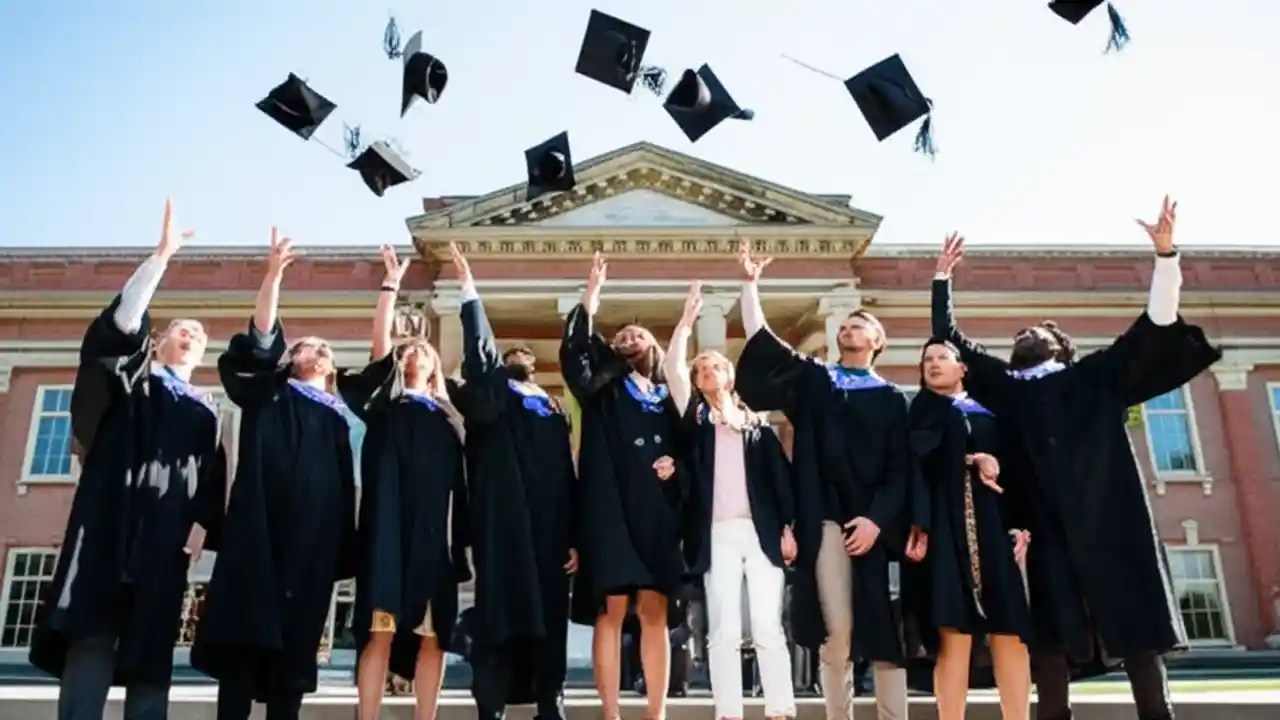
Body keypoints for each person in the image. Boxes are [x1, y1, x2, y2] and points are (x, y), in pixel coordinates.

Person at [930, 196, 1223, 720]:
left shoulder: (1096, 377)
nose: (1024, 333)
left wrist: (1165, 257)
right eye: (1020, 334)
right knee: (1049, 642)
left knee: (1138, 637)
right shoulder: (1008, 389)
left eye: (1037, 332)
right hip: (1045, 533)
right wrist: (941, 281)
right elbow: (953, 342)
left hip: (1111, 521)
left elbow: (1155, 325)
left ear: (1061, 348)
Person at [29, 200, 227, 720]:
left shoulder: (207, 411)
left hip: (164, 541)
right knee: (93, 635)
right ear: (158, 342)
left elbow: (209, 483)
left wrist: (200, 536)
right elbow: (121, 324)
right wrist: (161, 257)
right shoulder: (133, 381)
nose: (193, 337)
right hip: (109, 520)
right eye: (183, 330)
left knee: (152, 655)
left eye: (201, 337)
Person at [732, 238, 911, 720]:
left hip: (872, 525)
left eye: (861, 324)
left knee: (883, 630)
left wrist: (877, 520)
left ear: (876, 341)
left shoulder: (893, 399)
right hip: (826, 518)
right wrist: (750, 285)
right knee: (839, 627)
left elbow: (901, 469)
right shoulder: (816, 380)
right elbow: (765, 344)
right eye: (846, 324)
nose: (850, 326)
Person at [191, 228, 359, 720]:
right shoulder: (270, 394)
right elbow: (262, 341)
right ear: (292, 359)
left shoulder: (334, 416)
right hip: (258, 536)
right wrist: (272, 280)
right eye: (310, 346)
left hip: (311, 544)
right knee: (244, 643)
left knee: (294, 651)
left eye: (326, 350)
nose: (320, 351)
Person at [445, 242, 578, 720]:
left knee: (549, 618)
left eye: (526, 353)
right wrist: (469, 291)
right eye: (510, 351)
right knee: (499, 613)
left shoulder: (552, 405)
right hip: (503, 523)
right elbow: (481, 354)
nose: (519, 354)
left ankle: (550, 701)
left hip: (549, 529)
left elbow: (569, 473)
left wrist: (573, 536)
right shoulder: (494, 394)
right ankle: (492, 706)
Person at [342, 245, 470, 720]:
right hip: (388, 536)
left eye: (423, 351)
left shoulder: (448, 419)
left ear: (436, 367)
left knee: (433, 635)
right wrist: (390, 287)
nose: (415, 354)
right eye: (409, 350)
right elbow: (379, 349)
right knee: (380, 631)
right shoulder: (386, 403)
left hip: (435, 539)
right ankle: (368, 715)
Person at [560, 251, 686, 720]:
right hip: (609, 509)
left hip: (657, 513)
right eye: (621, 335)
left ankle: (656, 711)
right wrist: (590, 298)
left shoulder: (667, 393)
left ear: (652, 346)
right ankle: (610, 712)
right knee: (610, 611)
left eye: (638, 334)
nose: (628, 338)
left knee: (655, 613)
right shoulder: (604, 390)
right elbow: (575, 355)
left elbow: (693, 442)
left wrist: (679, 466)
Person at [664, 281, 798, 720]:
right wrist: (685, 322)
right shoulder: (696, 422)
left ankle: (779, 708)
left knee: (766, 626)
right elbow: (672, 369)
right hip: (717, 532)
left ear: (729, 375)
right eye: (700, 371)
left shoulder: (756, 426)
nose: (704, 375)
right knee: (723, 628)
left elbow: (782, 480)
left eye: (712, 369)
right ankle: (729, 712)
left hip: (761, 533)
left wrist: (789, 529)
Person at [901, 338, 1034, 720]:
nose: (933, 363)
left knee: (1009, 632)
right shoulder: (922, 413)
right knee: (954, 633)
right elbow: (918, 461)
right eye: (927, 359)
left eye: (943, 357)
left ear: (963, 369)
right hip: (946, 531)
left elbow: (1020, 469)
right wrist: (972, 457)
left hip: (996, 529)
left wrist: (1021, 524)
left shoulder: (992, 414)